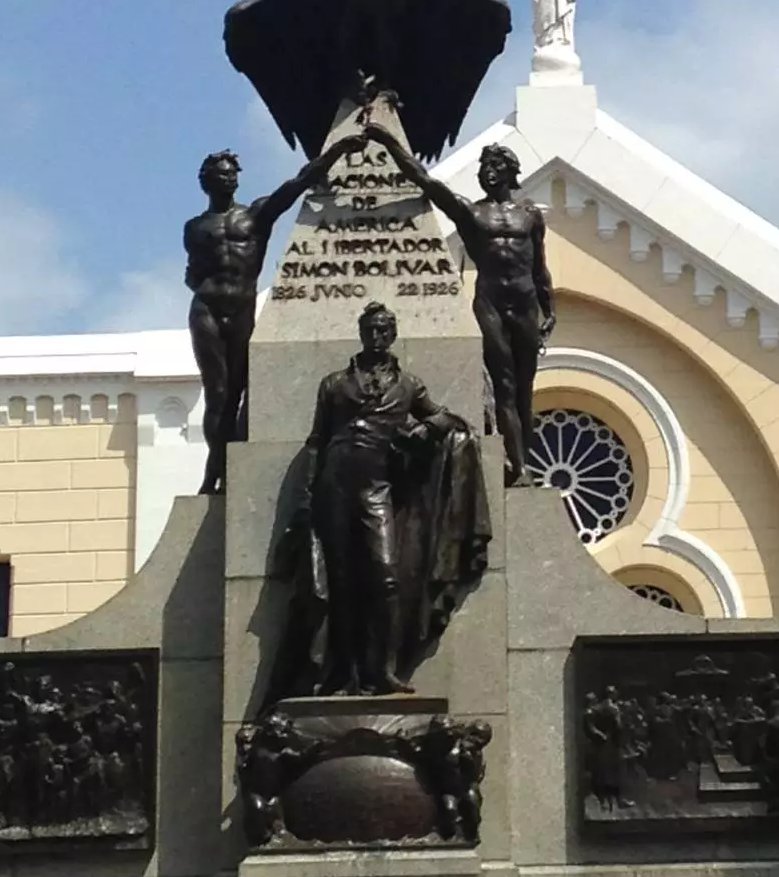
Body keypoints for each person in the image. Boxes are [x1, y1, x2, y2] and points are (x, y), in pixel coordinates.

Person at [273, 300, 490, 697]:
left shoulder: (408, 385)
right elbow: (317, 442)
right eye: (370, 329)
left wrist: (425, 432)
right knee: (339, 583)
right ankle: (341, 673)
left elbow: (441, 418)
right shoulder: (334, 382)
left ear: (393, 335)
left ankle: (383, 671)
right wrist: (306, 496)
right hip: (334, 487)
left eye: (384, 330)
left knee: (385, 577)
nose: (377, 336)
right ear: (361, 332)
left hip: (377, 488)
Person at [354, 125, 554, 487]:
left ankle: (525, 459)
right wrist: (389, 142)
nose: (487, 172)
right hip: (491, 301)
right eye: (483, 167)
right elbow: (426, 182)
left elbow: (539, 266)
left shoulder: (530, 215)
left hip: (525, 302)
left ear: (510, 170)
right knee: (505, 385)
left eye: (494, 165)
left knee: (525, 387)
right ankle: (519, 467)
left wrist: (549, 308)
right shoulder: (470, 213)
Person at [184, 145, 328, 493]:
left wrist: (335, 151)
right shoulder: (195, 227)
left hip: (242, 308)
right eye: (221, 173)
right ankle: (214, 472)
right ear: (207, 182)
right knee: (217, 393)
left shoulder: (255, 216)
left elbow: (295, 185)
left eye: (233, 172)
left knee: (240, 392)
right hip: (206, 309)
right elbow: (192, 274)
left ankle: (231, 466)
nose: (229, 177)